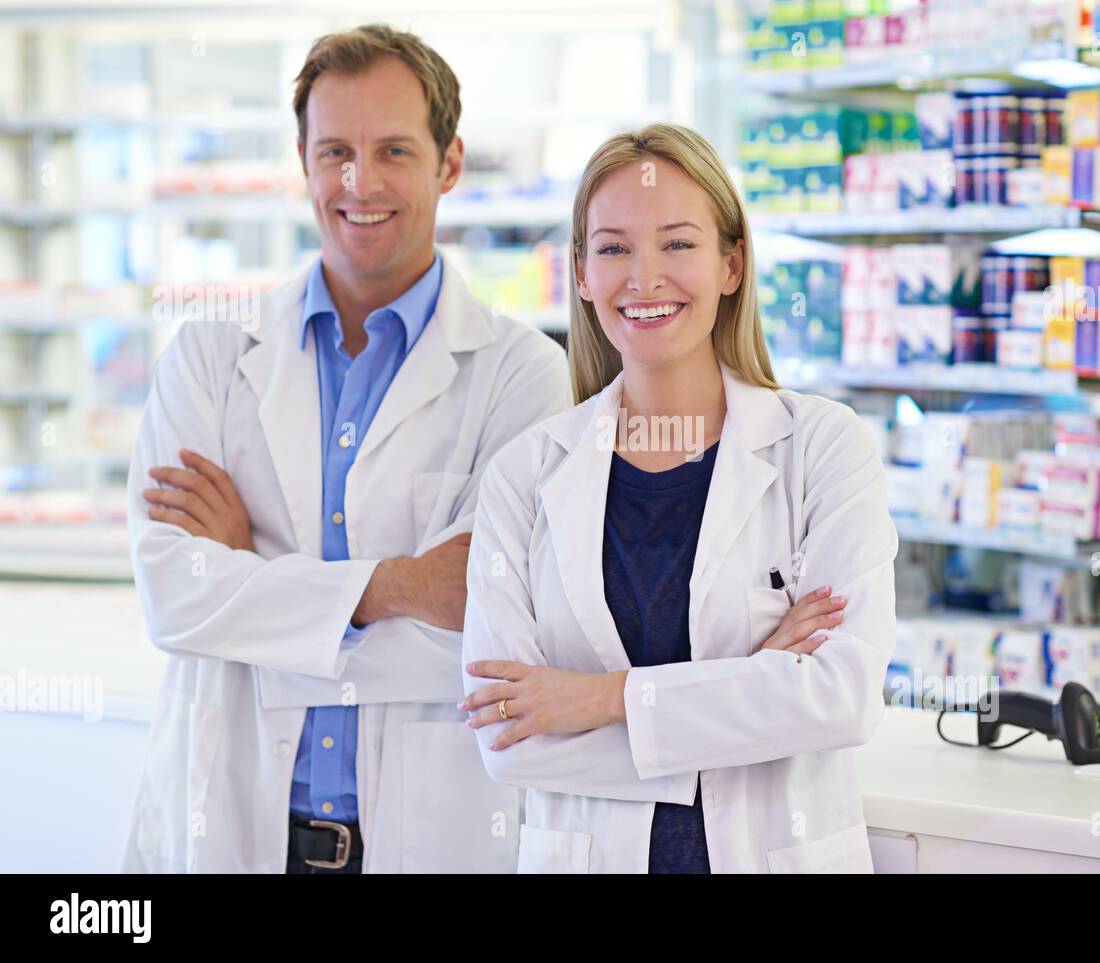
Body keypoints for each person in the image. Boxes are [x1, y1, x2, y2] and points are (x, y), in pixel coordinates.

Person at [123, 24, 569, 873]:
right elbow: (175, 601)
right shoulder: (210, 358)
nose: (359, 183)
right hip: (231, 830)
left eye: (394, 150)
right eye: (335, 151)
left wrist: (250, 585)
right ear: (302, 161)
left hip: (428, 838)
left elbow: (487, 643)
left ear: (449, 163)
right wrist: (399, 585)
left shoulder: (524, 376)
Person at [460, 123, 898, 873]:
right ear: (581, 271)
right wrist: (753, 686)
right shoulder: (524, 476)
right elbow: (508, 737)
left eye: (678, 243)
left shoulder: (822, 447)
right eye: (614, 247)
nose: (645, 276)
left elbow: (839, 696)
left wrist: (599, 699)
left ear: (731, 263)